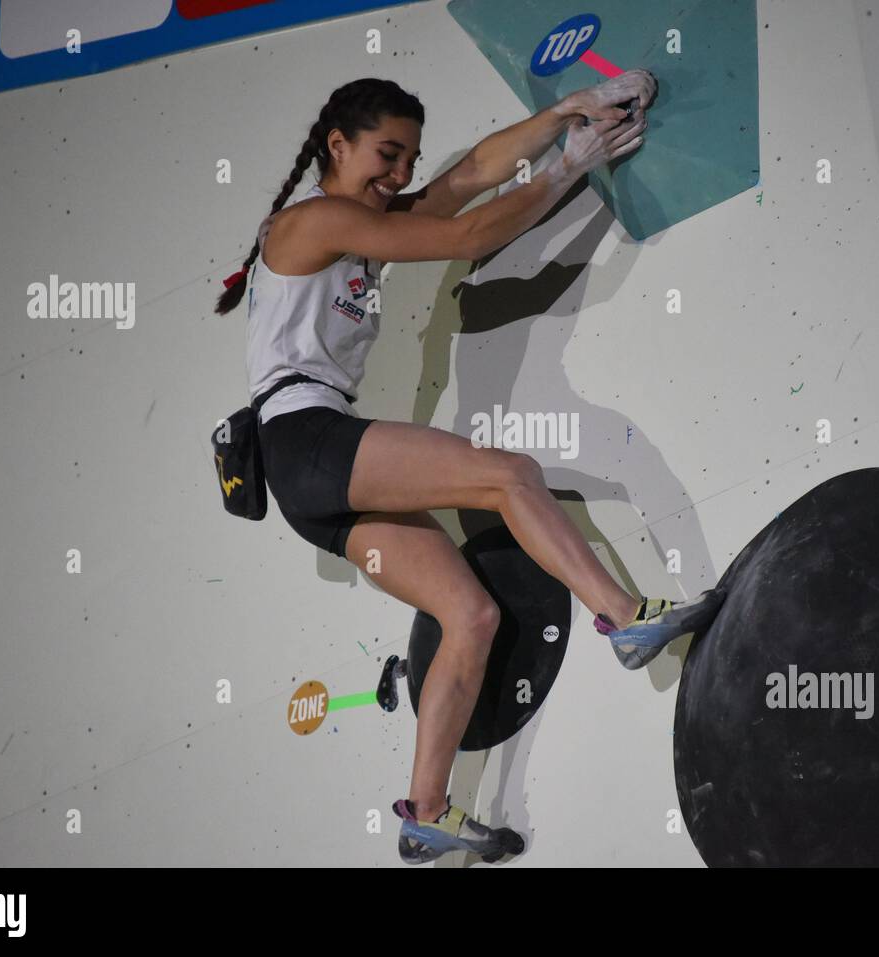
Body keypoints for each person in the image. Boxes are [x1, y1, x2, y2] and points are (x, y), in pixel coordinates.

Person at [214, 75, 723, 863]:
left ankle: (424, 810)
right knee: (509, 474)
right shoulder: (314, 222)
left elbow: (470, 177)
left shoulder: (365, 221)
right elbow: (465, 235)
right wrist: (568, 167)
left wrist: (563, 116)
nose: (398, 174)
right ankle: (626, 620)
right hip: (306, 438)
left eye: (407, 158)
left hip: (313, 477)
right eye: (386, 155)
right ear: (336, 146)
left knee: (471, 615)